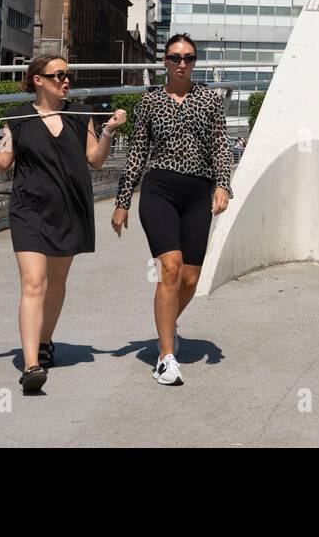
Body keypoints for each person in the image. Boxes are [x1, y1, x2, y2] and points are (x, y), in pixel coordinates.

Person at [0, 55, 124, 394]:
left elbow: (95, 160)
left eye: (68, 75)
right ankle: (32, 364)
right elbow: (3, 164)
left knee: (56, 284)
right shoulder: (18, 119)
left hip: (69, 210)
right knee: (33, 283)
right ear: (38, 80)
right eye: (58, 75)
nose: (66, 81)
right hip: (29, 211)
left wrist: (108, 130)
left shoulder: (81, 115)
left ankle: (46, 340)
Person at [112, 33, 233, 387]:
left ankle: (168, 325)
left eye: (190, 58)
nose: (183, 64)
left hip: (198, 191)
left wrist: (222, 184)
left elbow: (220, 147)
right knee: (170, 268)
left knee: (191, 280)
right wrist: (122, 203)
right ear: (164, 61)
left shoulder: (210, 100)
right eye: (176, 57)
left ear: (195, 62)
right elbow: (136, 154)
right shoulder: (149, 103)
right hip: (159, 189)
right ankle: (166, 357)